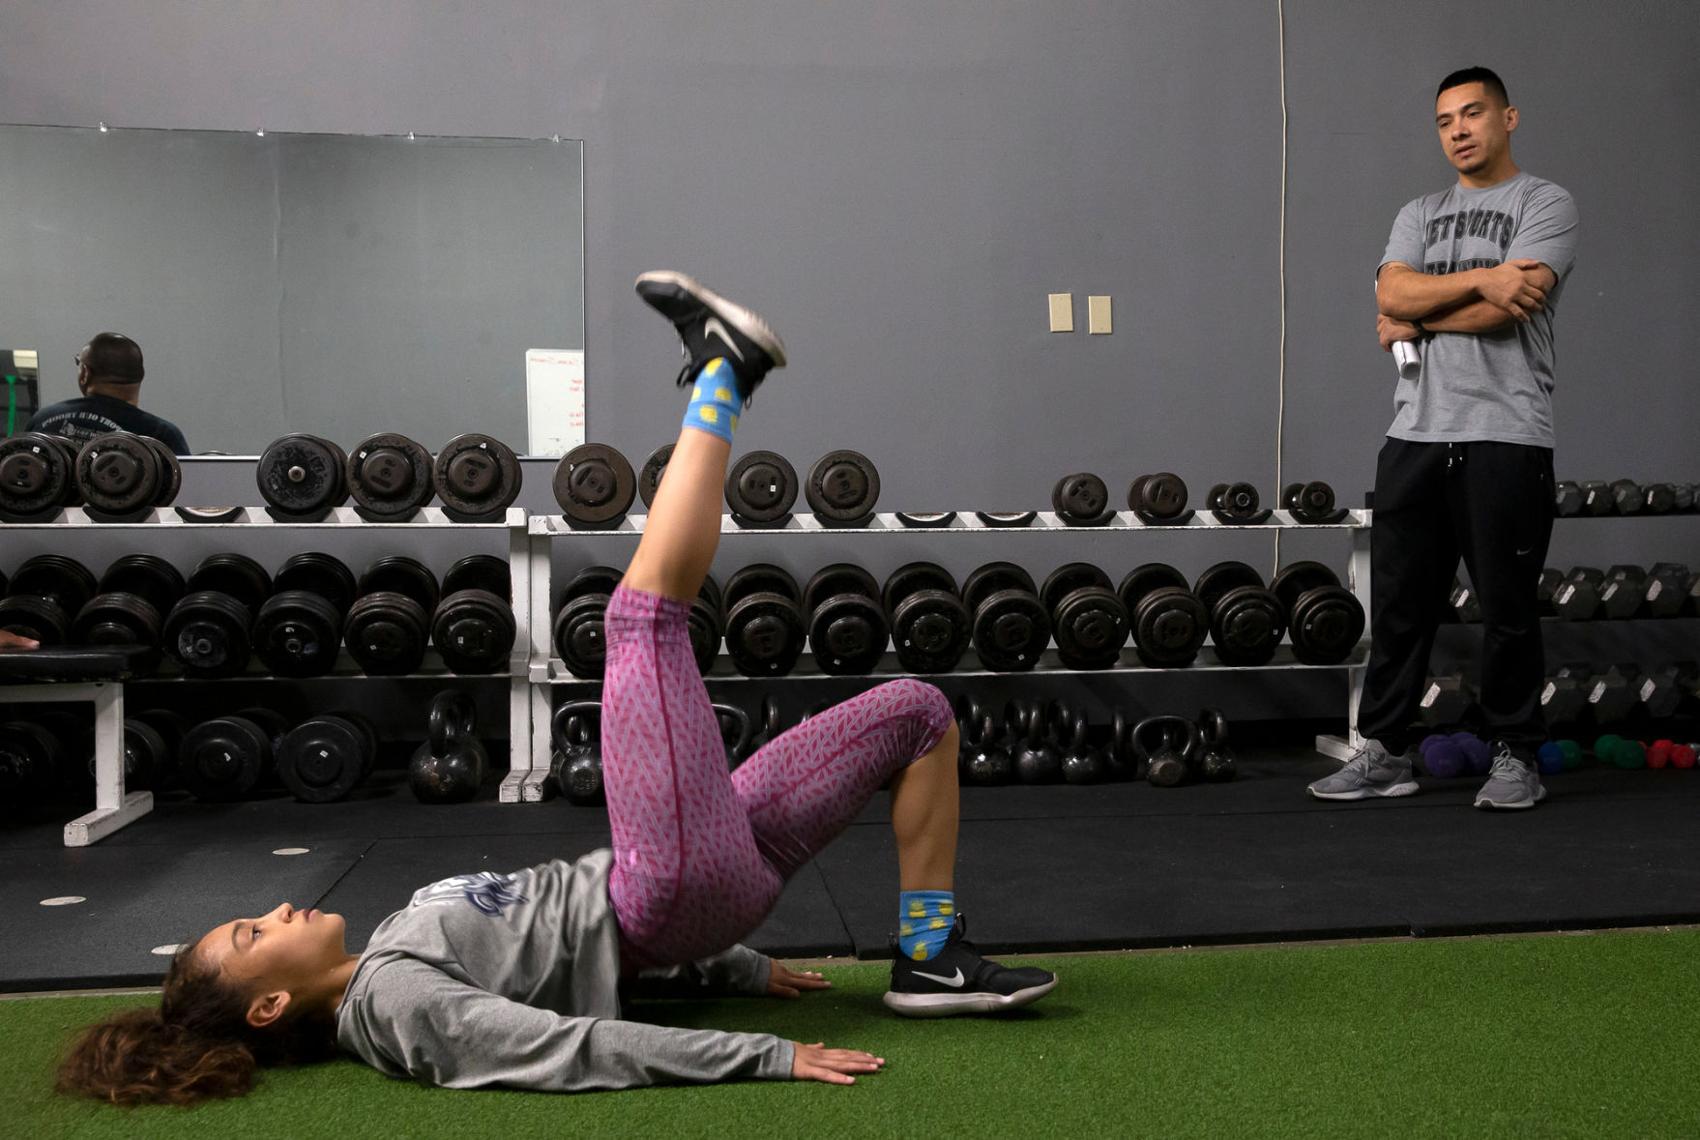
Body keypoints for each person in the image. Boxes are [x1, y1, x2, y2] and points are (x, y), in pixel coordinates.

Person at [58, 272, 1056, 1106]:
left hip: (698, 879)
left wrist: (739, 971)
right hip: (665, 888)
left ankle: (928, 955)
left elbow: (570, 952)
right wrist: (763, 1054)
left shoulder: (393, 950)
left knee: (917, 713)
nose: (275, 910)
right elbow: (563, 1044)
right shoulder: (395, 1009)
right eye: (251, 935)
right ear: (269, 1005)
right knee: (639, 619)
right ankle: (724, 375)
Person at [1308, 67, 1578, 811]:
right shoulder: (1418, 212)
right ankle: (1387, 752)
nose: (1458, 130)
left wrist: (1426, 315)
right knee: (1399, 606)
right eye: (1445, 121)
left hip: (1507, 431)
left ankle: (1516, 756)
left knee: (1509, 608)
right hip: (1415, 433)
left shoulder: (1543, 202)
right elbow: (1389, 292)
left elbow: (1508, 309)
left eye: (1473, 114)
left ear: (1508, 117)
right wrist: (1482, 280)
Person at [26, 332, 190, 455]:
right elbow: (187, 493)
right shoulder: (162, 435)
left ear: (85, 373)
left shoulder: (42, 420)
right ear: (141, 375)